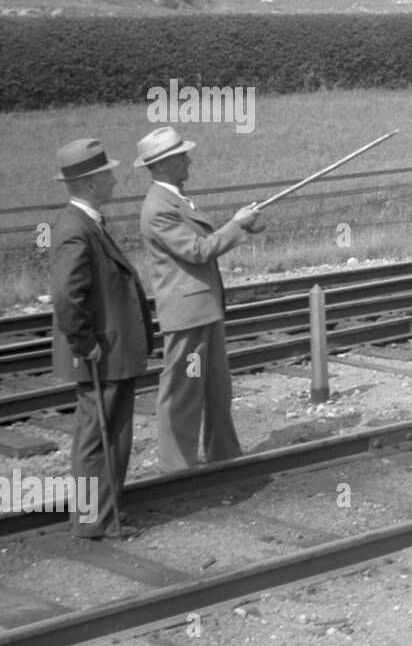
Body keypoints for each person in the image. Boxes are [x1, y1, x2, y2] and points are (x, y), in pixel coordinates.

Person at [134, 127, 262, 471]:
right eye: (180, 156)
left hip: (203, 309)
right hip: (187, 313)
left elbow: (201, 242)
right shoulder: (159, 207)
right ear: (161, 165)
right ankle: (177, 468)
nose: (188, 159)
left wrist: (242, 226)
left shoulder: (176, 198)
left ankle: (224, 455)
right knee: (183, 393)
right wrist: (235, 226)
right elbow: (196, 251)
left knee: (217, 389)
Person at [49, 139, 154, 538]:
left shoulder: (86, 223)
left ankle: (98, 515)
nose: (114, 178)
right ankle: (96, 521)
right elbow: (66, 296)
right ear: (91, 182)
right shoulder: (77, 229)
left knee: (106, 433)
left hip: (108, 350)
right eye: (107, 173)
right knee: (101, 437)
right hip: (101, 352)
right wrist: (85, 342)